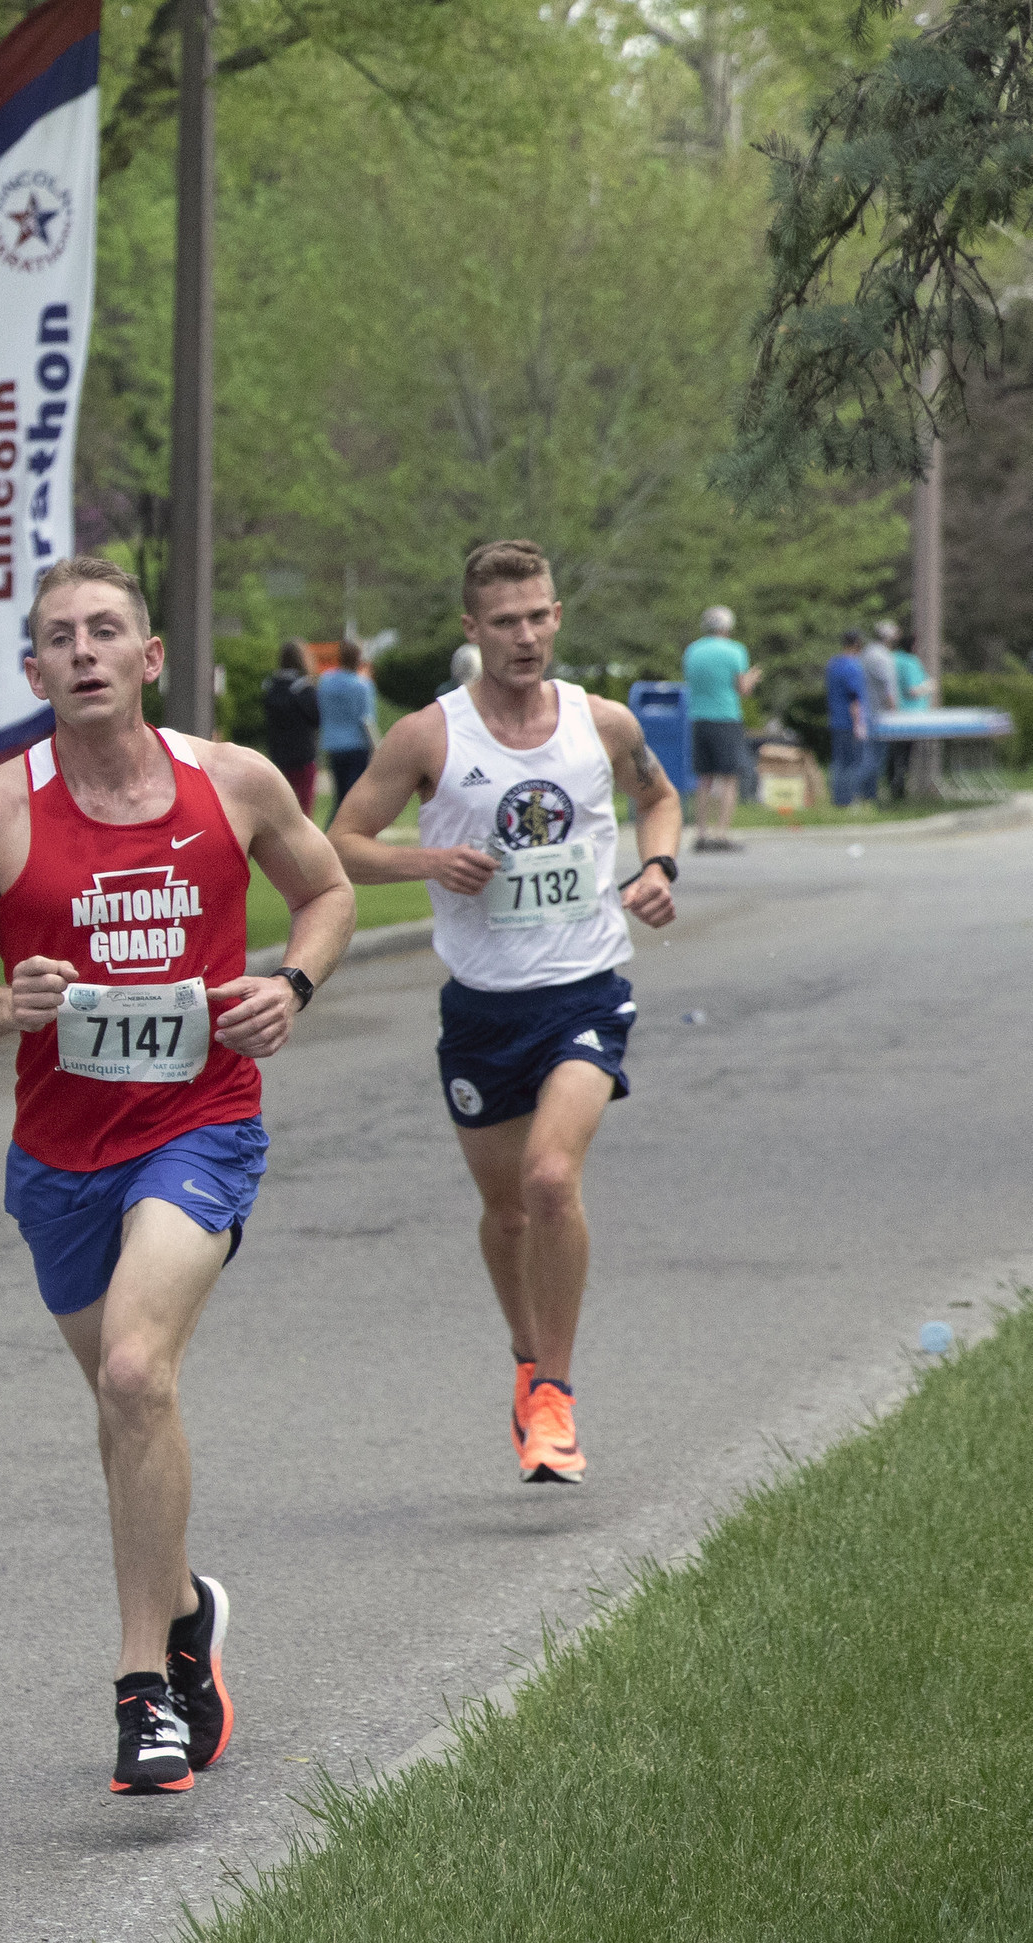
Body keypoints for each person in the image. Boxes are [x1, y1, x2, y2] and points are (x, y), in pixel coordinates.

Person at [0, 556, 355, 1796]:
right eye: (59, 636)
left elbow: (325, 890)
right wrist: (6, 1002)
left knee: (129, 1370)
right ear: (35, 670)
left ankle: (141, 1687)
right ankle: (188, 1609)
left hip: (199, 1124)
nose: (84, 650)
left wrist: (291, 984)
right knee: (128, 1414)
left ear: (148, 657)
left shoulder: (234, 780)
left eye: (105, 630)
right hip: (60, 1155)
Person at [329, 538, 680, 1486]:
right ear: (471, 629)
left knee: (550, 1178)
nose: (524, 637)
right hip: (482, 1009)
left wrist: (657, 866)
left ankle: (556, 1396)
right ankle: (528, 1362)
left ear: (555, 617)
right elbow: (342, 842)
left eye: (537, 617)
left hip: (585, 989)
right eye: (504, 622)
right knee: (507, 1213)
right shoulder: (427, 737)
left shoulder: (602, 722)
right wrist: (428, 862)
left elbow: (659, 798)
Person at [682, 605, 760, 852]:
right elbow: (742, 689)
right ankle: (721, 833)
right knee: (728, 777)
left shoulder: (692, 651)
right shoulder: (735, 651)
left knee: (704, 778)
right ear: (727, 627)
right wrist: (752, 678)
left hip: (699, 718)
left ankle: (701, 832)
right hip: (726, 717)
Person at [317, 638, 379, 819]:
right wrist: (376, 747)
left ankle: (333, 828)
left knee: (340, 796)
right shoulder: (362, 685)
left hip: (333, 744)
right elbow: (367, 720)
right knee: (354, 798)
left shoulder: (325, 681)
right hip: (356, 745)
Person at [262, 639, 320, 818]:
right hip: (302, 756)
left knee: (280, 808)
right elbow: (316, 719)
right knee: (303, 809)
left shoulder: (270, 686)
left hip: (277, 755)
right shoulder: (303, 688)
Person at [825, 629, 872, 807]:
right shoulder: (853, 667)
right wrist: (859, 724)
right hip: (849, 721)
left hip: (836, 719)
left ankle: (838, 798)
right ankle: (849, 799)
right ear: (857, 644)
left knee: (839, 762)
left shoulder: (833, 664)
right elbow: (854, 698)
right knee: (854, 763)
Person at [889, 627, 933, 802]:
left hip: (895, 714)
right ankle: (899, 789)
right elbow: (912, 690)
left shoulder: (893, 658)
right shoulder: (910, 662)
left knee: (894, 754)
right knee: (904, 756)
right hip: (912, 716)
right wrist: (929, 686)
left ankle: (894, 785)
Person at [860, 621, 902, 802]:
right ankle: (864, 795)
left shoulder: (867, 653)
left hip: (869, 712)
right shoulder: (880, 657)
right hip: (878, 715)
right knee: (874, 758)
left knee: (870, 756)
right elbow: (887, 689)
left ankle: (868, 794)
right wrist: (894, 712)